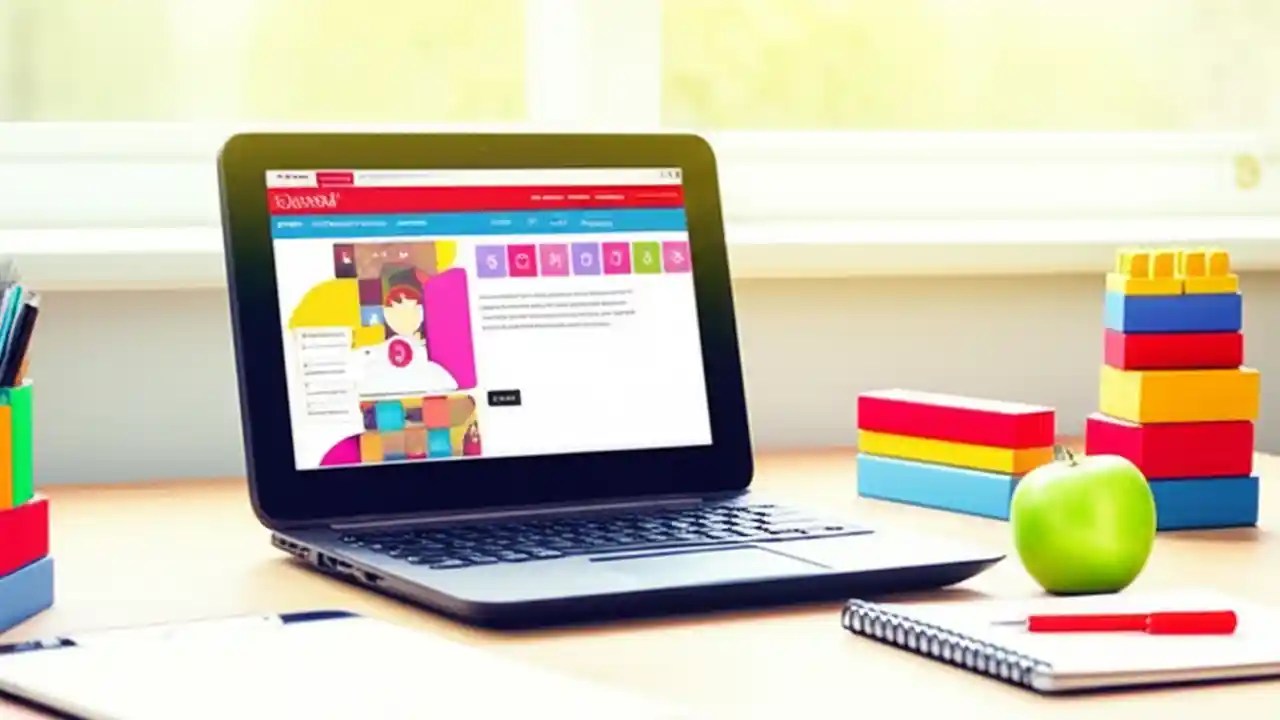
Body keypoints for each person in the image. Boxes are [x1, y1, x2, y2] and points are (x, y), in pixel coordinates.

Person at [354, 282, 458, 395]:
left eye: (411, 312)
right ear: (387, 314)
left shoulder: (434, 361)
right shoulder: (375, 356)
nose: (405, 319)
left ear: (421, 313)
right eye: (397, 313)